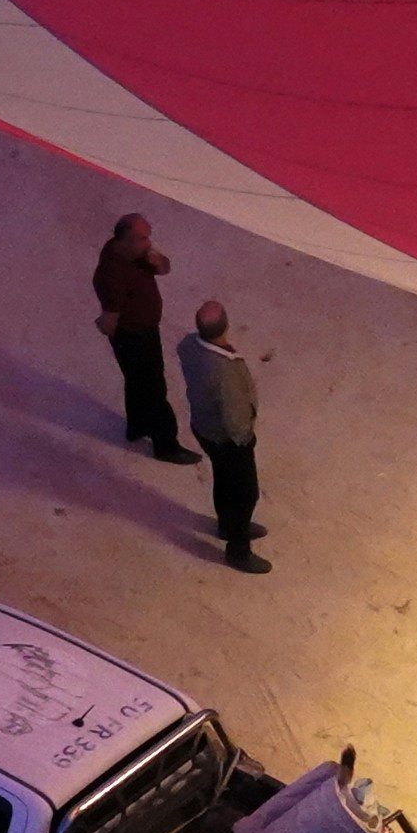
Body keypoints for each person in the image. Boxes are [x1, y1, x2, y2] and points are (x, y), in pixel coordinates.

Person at [175, 299, 266, 572]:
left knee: (223, 480)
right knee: (245, 494)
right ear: (226, 325)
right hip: (227, 440)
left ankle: (226, 524)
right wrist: (246, 439)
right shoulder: (224, 370)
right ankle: (238, 549)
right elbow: (236, 419)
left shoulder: (189, 346)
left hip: (204, 427)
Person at [93, 216, 190, 459]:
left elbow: (165, 267)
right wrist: (109, 327)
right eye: (143, 238)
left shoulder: (135, 252)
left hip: (144, 331)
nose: (149, 243)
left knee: (136, 383)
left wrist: (158, 263)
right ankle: (166, 445)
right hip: (133, 338)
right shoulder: (111, 275)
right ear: (125, 241)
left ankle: (137, 427)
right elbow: (109, 322)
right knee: (153, 389)